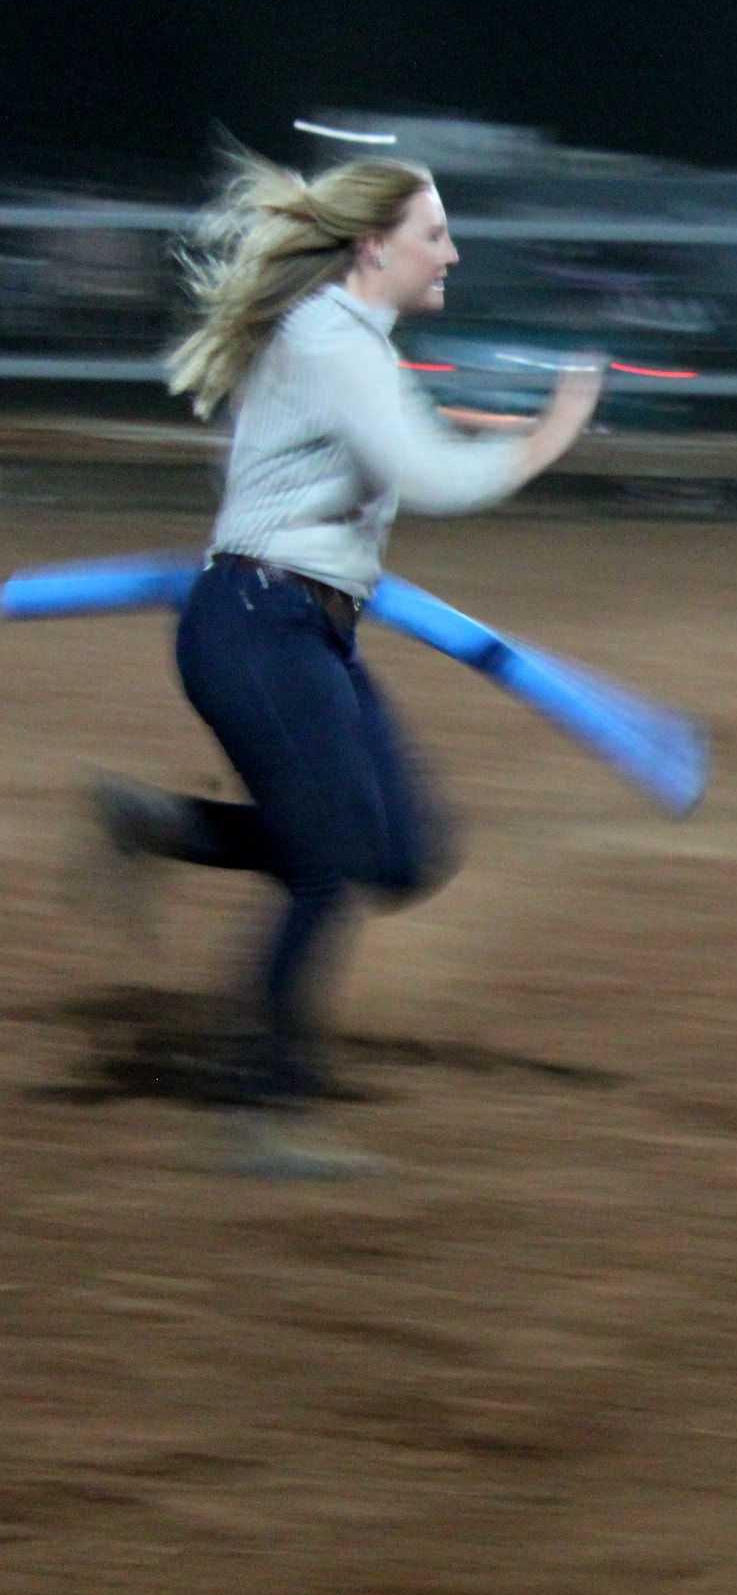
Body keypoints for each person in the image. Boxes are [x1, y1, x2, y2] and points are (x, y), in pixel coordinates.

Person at [83, 145, 602, 1176]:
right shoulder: (338, 343)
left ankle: (161, 822)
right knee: (325, 869)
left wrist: (450, 424)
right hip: (256, 625)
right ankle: (261, 1111)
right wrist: (552, 432)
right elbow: (436, 482)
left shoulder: (344, 337)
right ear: (375, 247)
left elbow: (362, 442)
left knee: (402, 855)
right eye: (434, 234)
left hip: (301, 628)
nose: (451, 251)